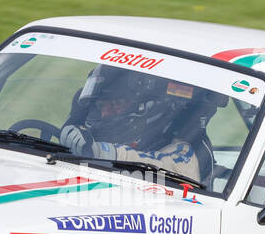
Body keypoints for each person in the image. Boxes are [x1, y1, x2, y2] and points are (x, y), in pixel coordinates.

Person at [58, 64, 209, 182]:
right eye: (101, 106)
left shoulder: (181, 153)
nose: (105, 113)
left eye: (116, 104)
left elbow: (162, 167)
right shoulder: (91, 138)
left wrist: (100, 152)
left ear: (151, 106)